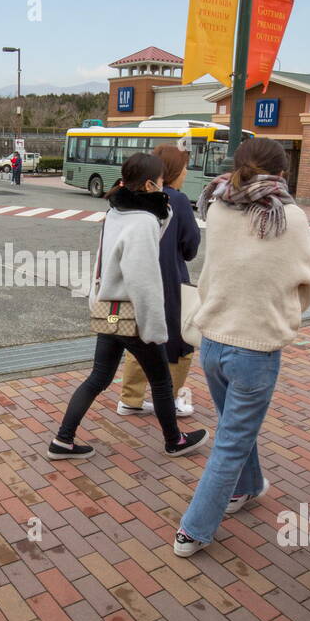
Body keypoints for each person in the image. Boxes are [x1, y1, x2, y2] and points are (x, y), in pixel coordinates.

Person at [173, 138, 310, 557]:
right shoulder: (289, 215)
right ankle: (194, 530)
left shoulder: (216, 205)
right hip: (256, 345)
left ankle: (249, 486)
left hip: (213, 340)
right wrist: (283, 313)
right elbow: (306, 283)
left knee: (234, 426)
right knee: (232, 439)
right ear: (283, 174)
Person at [47, 152, 208, 461]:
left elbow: (101, 263)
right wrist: (155, 329)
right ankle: (174, 440)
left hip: (108, 307)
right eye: (161, 182)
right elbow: (143, 281)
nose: (165, 187)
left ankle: (63, 440)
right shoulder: (144, 222)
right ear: (149, 185)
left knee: (99, 377)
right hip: (130, 312)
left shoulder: (115, 214)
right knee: (160, 378)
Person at [118, 145, 201, 418]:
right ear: (174, 171)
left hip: (137, 280)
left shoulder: (134, 198)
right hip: (171, 280)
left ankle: (130, 398)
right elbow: (190, 247)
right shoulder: (177, 201)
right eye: (184, 167)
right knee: (178, 341)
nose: (186, 172)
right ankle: (172, 399)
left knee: (141, 337)